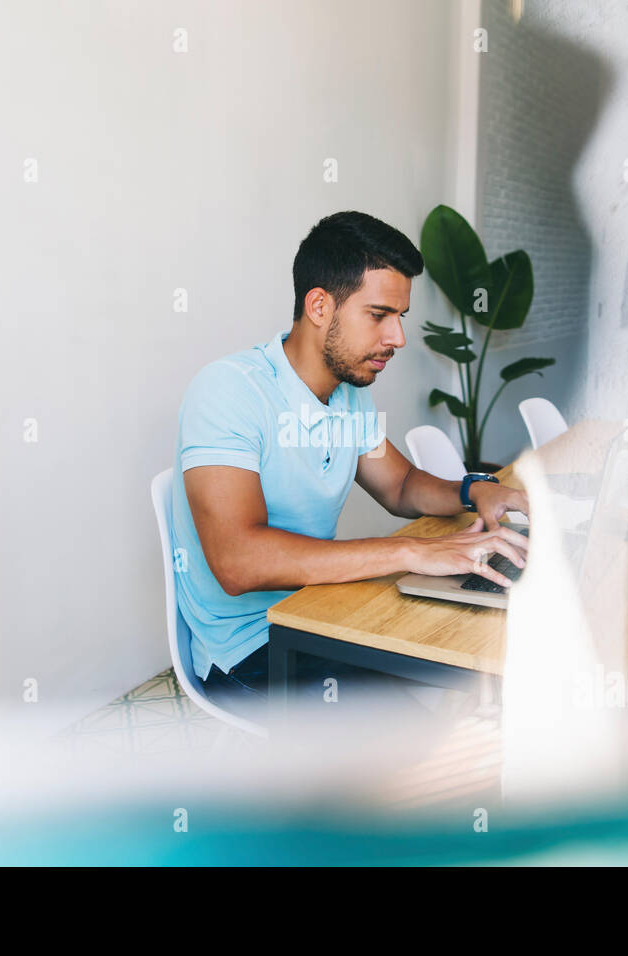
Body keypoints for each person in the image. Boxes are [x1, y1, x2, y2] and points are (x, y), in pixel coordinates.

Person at [169, 211, 529, 721]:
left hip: (321, 613)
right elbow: (238, 562)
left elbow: (400, 484)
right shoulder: (229, 391)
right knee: (421, 741)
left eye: (399, 316)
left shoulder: (345, 395)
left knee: (485, 664)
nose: (398, 338)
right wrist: (412, 551)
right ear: (319, 305)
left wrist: (475, 491)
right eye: (380, 315)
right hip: (252, 649)